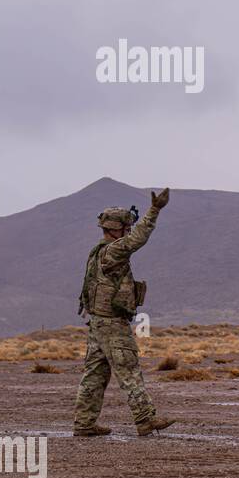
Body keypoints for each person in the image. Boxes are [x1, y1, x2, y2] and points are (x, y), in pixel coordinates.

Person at [72, 188, 177, 438]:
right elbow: (138, 239)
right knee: (128, 369)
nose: (129, 231)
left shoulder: (97, 251)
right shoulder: (112, 251)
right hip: (112, 324)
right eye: (126, 227)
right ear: (116, 228)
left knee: (95, 375)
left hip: (98, 323)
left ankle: (84, 424)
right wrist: (154, 210)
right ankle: (145, 419)